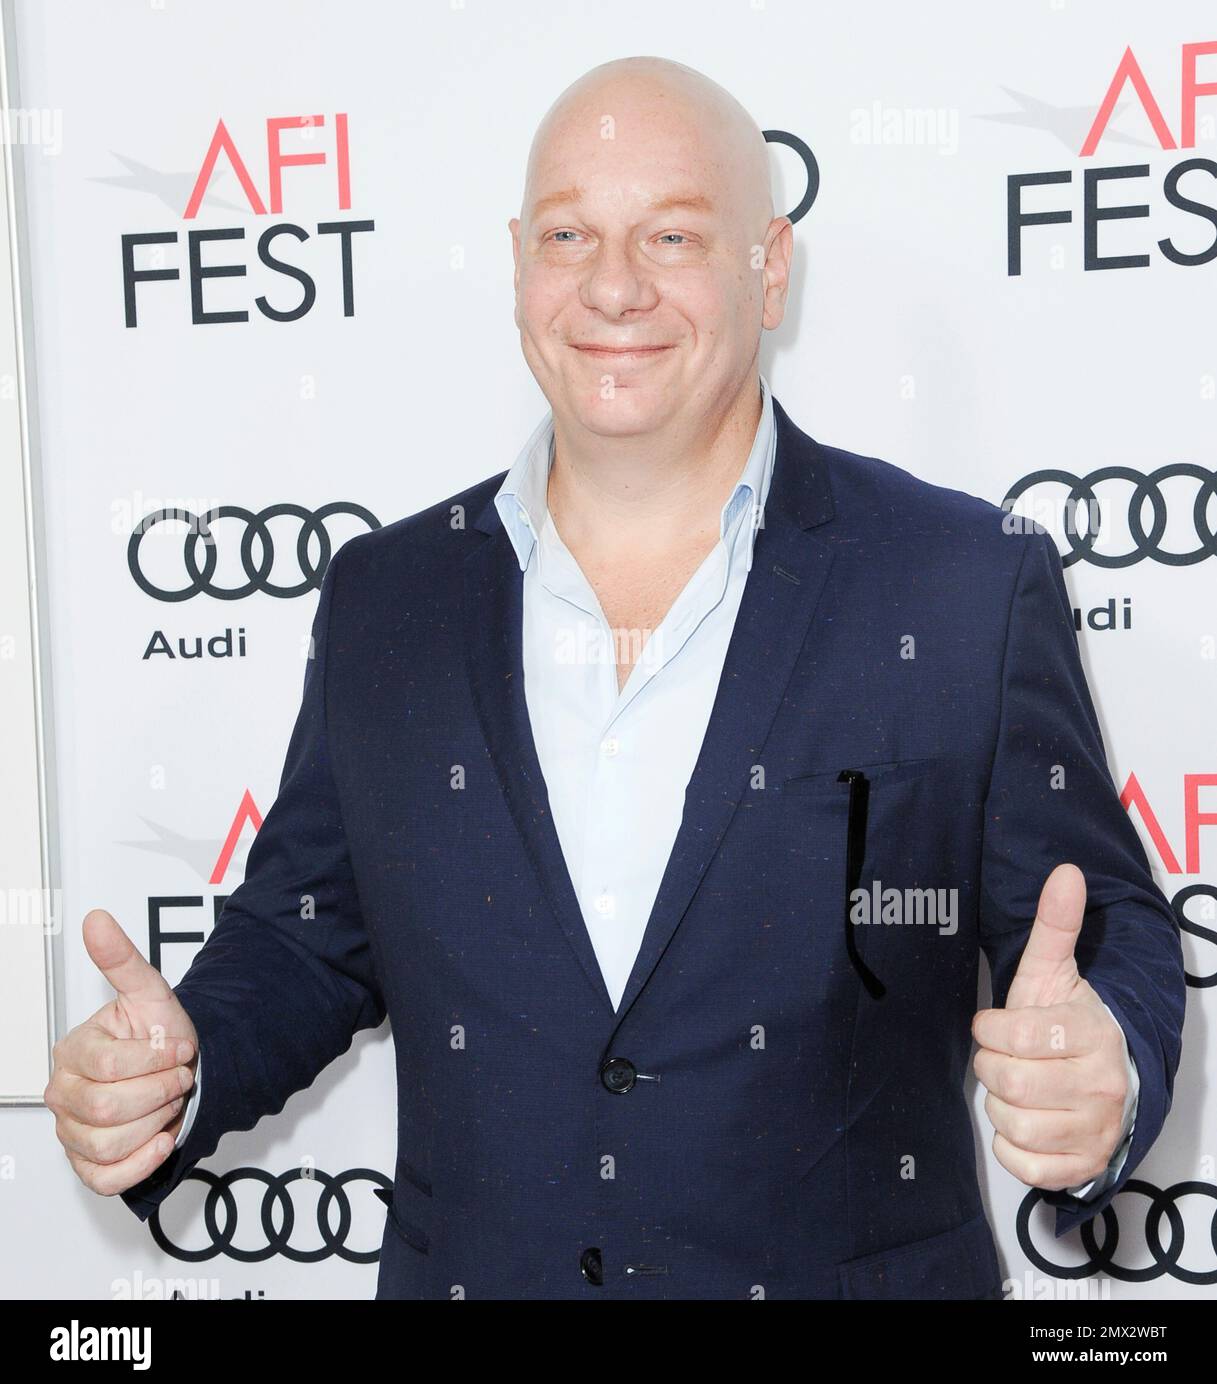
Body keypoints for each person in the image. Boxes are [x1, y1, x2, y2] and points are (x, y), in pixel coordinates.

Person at [44, 56, 1185, 1300]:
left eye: (673, 233)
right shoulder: (388, 595)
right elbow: (312, 933)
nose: (613, 285)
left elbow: (1101, 918)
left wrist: (1108, 1066)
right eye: (569, 232)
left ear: (768, 267)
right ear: (519, 260)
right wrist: (185, 1060)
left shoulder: (959, 580)